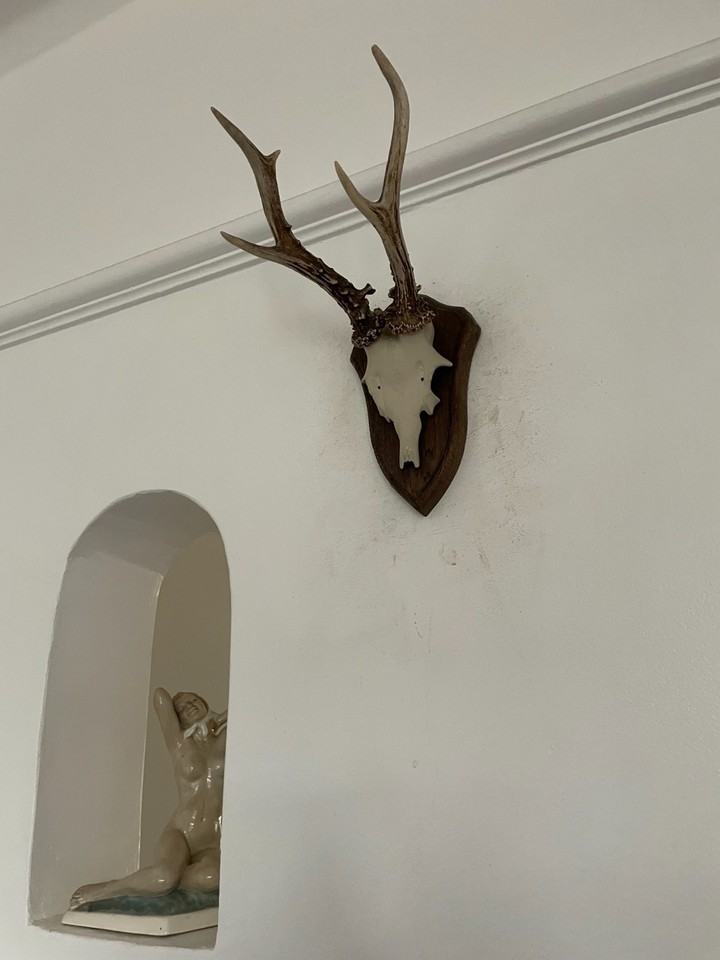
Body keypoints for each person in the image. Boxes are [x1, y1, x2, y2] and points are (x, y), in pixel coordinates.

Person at [69, 687, 227, 909]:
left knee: (213, 877)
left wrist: (219, 719)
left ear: (204, 702)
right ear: (177, 718)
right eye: (181, 708)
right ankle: (109, 889)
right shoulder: (179, 743)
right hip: (181, 832)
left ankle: (152, 883)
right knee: (164, 875)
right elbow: (159, 697)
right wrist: (185, 710)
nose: (189, 705)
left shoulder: (226, 738)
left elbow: (248, 708)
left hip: (211, 840)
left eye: (193, 700)